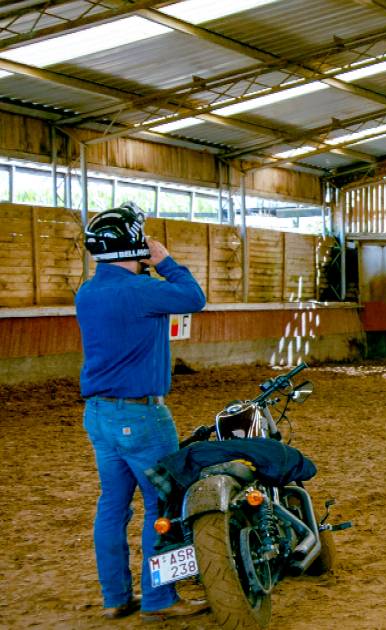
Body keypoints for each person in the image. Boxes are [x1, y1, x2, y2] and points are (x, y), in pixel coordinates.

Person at [75, 203, 210, 621]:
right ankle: (159, 599)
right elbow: (194, 298)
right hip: (142, 417)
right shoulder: (140, 291)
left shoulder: (87, 291)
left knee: (112, 505)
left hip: (98, 415)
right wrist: (165, 261)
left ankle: (115, 597)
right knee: (164, 505)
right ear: (133, 243)